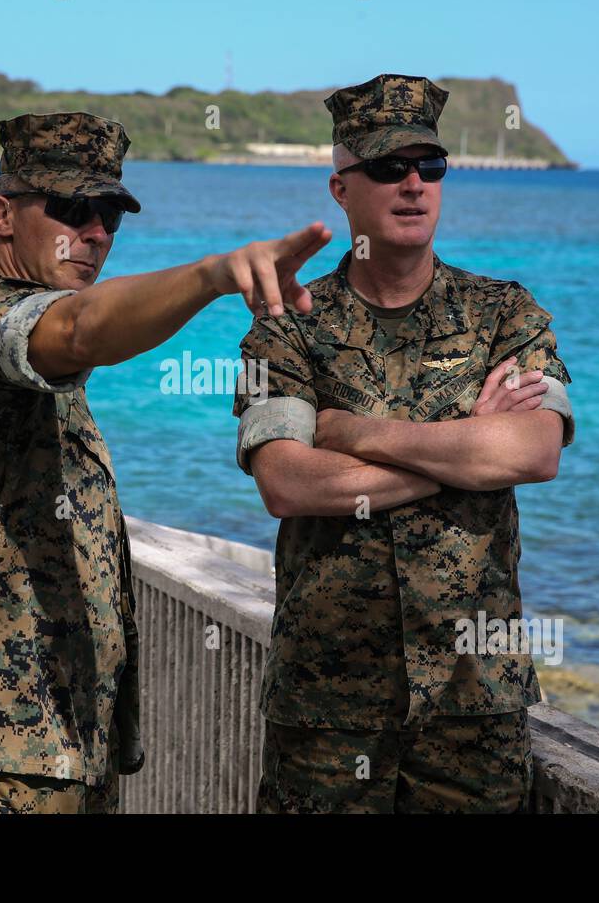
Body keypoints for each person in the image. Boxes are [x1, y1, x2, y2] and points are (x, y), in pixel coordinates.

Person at [0, 110, 331, 813]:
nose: (93, 233)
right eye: (69, 209)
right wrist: (214, 274)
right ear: (3, 214)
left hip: (61, 748)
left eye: (109, 216)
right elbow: (82, 327)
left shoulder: (35, 349)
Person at [233, 74, 576, 813]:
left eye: (431, 166)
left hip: (472, 706)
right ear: (340, 189)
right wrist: (468, 454)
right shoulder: (284, 326)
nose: (414, 184)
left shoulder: (504, 314)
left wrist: (354, 432)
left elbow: (535, 452)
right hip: (327, 710)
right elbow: (289, 483)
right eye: (388, 168)